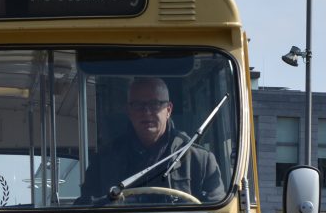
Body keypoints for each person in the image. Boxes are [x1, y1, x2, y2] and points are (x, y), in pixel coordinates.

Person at [82, 78, 225, 204]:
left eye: (155, 104)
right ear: (128, 111)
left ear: (168, 110)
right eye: (138, 105)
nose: (147, 112)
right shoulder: (103, 163)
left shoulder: (201, 161)